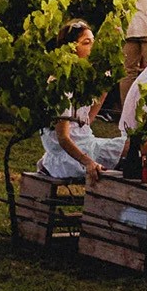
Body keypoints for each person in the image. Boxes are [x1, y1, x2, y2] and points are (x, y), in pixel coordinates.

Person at [37, 19, 127, 181]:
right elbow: (63, 138)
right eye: (86, 42)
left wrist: (104, 86)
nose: (93, 47)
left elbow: (86, 122)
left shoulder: (83, 78)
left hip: (86, 144)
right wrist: (88, 162)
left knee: (134, 146)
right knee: (127, 154)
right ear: (71, 48)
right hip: (67, 155)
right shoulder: (61, 81)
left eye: (93, 42)